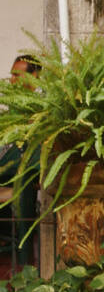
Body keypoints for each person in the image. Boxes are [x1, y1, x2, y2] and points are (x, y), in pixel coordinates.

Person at [0, 54, 41, 267]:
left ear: (34, 76)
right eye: (12, 75)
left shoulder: (44, 108)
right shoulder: (13, 106)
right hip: (7, 171)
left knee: (25, 185)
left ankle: (26, 268)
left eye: (18, 75)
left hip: (28, 171)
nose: (13, 80)